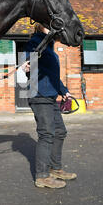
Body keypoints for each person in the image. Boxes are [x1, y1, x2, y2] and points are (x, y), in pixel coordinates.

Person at [22, 23, 77, 189]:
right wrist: (27, 65)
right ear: (40, 27)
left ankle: (55, 169)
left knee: (60, 132)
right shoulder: (35, 42)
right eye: (48, 26)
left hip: (51, 95)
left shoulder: (51, 49)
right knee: (46, 134)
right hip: (39, 95)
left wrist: (64, 91)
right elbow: (31, 55)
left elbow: (53, 76)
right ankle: (42, 176)